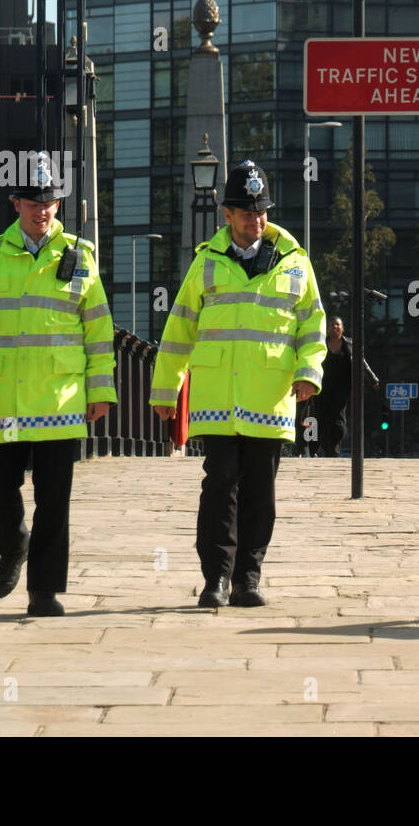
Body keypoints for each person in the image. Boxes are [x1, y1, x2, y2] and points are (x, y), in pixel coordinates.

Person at [0, 154, 115, 617]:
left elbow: (98, 329)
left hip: (60, 399)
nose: (43, 210)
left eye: (51, 201)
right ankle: (13, 541)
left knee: (55, 501)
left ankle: (44, 591)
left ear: (60, 203)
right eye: (33, 202)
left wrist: (101, 390)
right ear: (15, 203)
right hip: (2, 398)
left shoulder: (81, 257)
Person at [150, 160, 326, 608]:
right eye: (247, 212)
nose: (256, 219)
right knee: (220, 483)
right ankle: (217, 578)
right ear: (227, 215)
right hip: (217, 397)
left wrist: (309, 373)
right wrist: (164, 390)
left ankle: (249, 577)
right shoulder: (206, 263)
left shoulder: (295, 262)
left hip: (270, 395)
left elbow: (313, 326)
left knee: (259, 491)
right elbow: (180, 328)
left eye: (261, 211)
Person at [302, 316, 379, 457]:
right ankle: (315, 449)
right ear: (327, 328)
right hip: (321, 388)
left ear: (342, 328)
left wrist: (372, 378)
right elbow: (311, 362)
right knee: (320, 418)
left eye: (337, 325)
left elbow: (362, 362)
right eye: (332, 325)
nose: (335, 327)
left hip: (341, 389)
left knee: (338, 421)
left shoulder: (349, 344)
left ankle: (333, 448)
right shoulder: (320, 345)